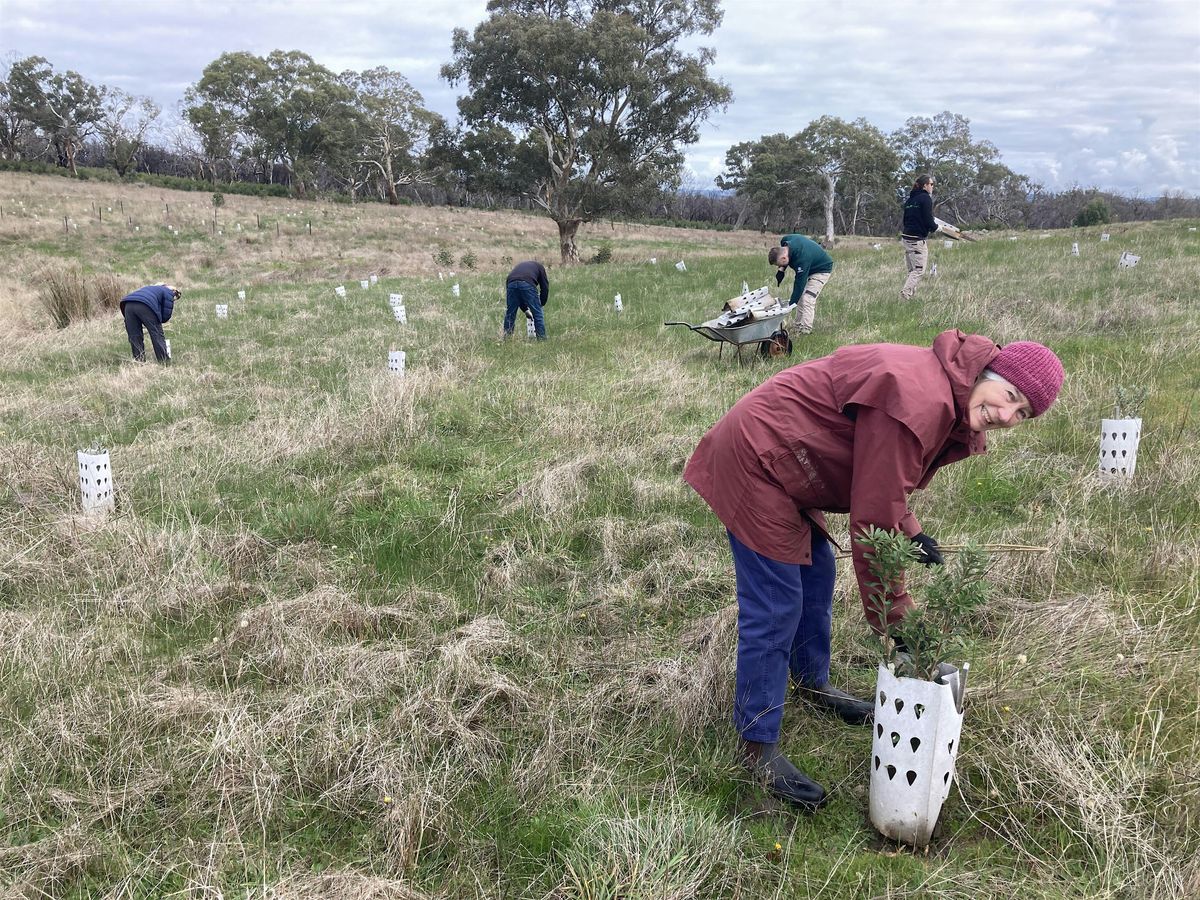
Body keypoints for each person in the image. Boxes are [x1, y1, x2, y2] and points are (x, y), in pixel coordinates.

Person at [683, 329, 1064, 811]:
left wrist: (910, 529)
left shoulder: (948, 391)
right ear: (991, 372)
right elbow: (871, 519)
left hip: (795, 464)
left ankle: (810, 682)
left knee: (816, 576)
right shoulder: (918, 399)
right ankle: (756, 750)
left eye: (1023, 413)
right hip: (760, 458)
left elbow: (884, 477)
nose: (1007, 416)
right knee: (777, 607)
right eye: (1010, 395)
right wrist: (897, 620)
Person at [767, 234, 833, 335]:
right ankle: (798, 326)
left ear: (784, 258)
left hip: (821, 270)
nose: (780, 266)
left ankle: (805, 329)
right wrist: (781, 271)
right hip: (810, 264)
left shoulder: (801, 259)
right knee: (801, 298)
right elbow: (785, 256)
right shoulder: (785, 240)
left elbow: (799, 285)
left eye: (780, 264)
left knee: (807, 298)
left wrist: (789, 307)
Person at [900, 174, 940, 300]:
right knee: (919, 270)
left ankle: (909, 297)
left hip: (906, 237)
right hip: (917, 240)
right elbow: (928, 220)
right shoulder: (926, 198)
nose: (932, 187)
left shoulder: (910, 200)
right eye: (931, 184)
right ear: (925, 185)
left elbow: (905, 219)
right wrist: (936, 228)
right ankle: (905, 294)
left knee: (912, 270)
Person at [119, 283, 179, 362]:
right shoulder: (168, 292)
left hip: (128, 305)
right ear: (173, 291)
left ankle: (139, 361)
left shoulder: (152, 288)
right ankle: (164, 361)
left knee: (134, 335)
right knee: (156, 333)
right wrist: (158, 320)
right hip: (145, 305)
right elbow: (166, 315)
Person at [503, 260, 550, 340]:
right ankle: (541, 338)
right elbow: (545, 288)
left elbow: (518, 297)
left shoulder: (522, 266)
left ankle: (507, 338)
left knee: (510, 313)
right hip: (527, 283)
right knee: (537, 314)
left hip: (511, 283)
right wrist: (541, 304)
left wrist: (525, 310)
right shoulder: (540, 268)